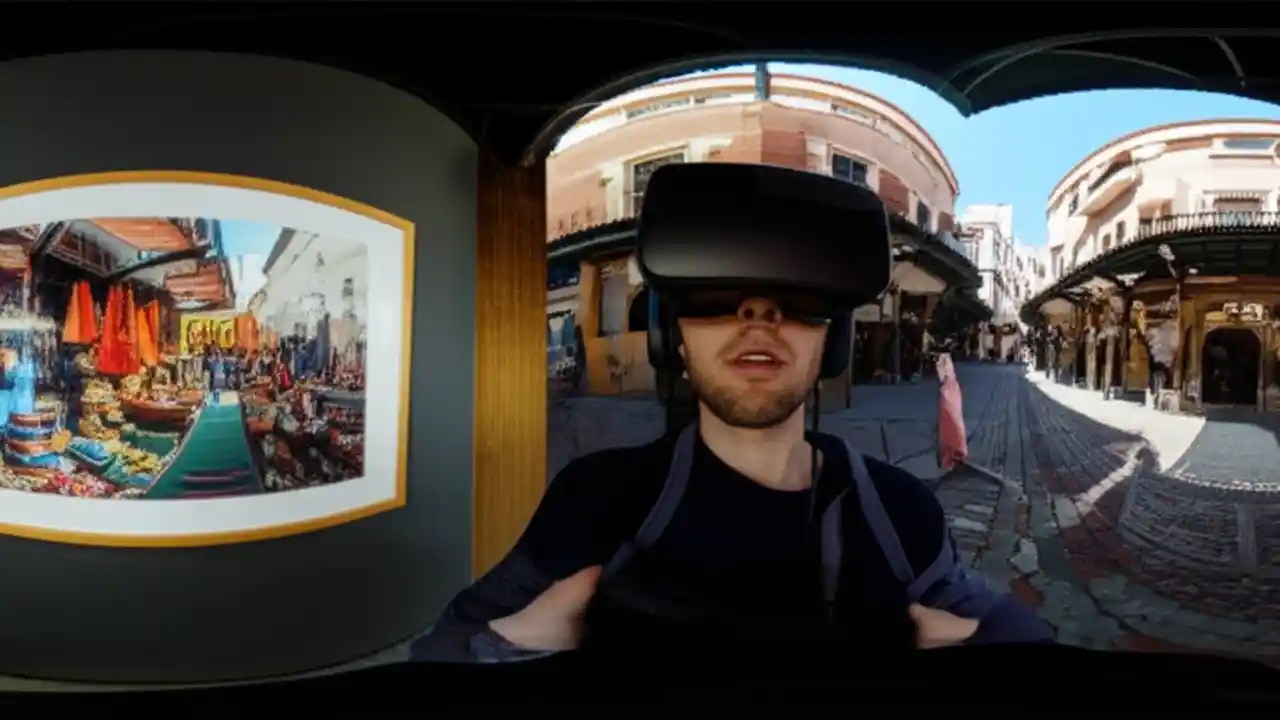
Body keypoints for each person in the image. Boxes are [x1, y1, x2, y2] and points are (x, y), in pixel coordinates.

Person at [410, 164, 1054, 664]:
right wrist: (516, 642)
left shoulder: (896, 512)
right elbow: (448, 642)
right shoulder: (599, 500)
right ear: (674, 341)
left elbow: (1011, 627)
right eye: (717, 294)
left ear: (829, 342)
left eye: (795, 299)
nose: (758, 315)